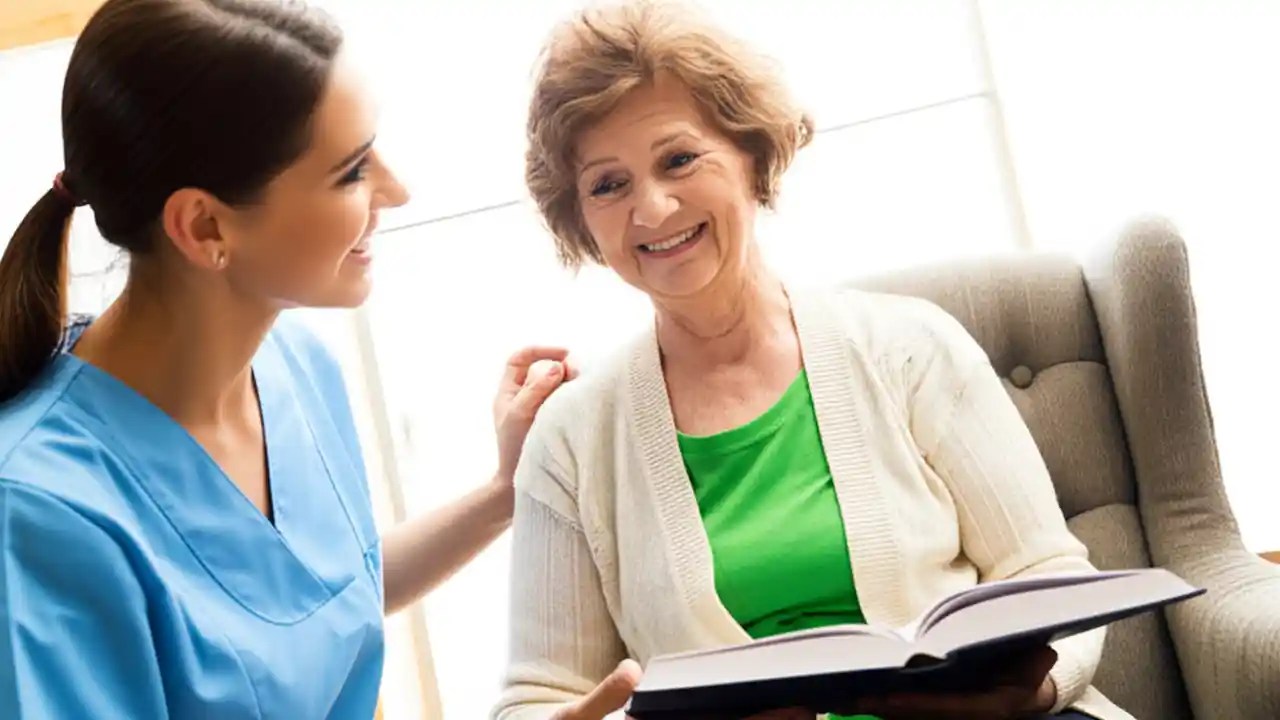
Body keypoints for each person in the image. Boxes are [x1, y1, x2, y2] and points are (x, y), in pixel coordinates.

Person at [495, 2, 1131, 719]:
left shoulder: (912, 348)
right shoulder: (570, 442)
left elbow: (1048, 571)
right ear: (579, 216)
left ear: (750, 153)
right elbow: (534, 701)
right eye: (608, 184)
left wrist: (1031, 692)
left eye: (678, 159)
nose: (653, 208)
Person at [0, 1, 573, 717]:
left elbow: (310, 612)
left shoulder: (296, 368)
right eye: (352, 172)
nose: (396, 191)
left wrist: (505, 493)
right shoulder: (37, 515)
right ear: (205, 226)